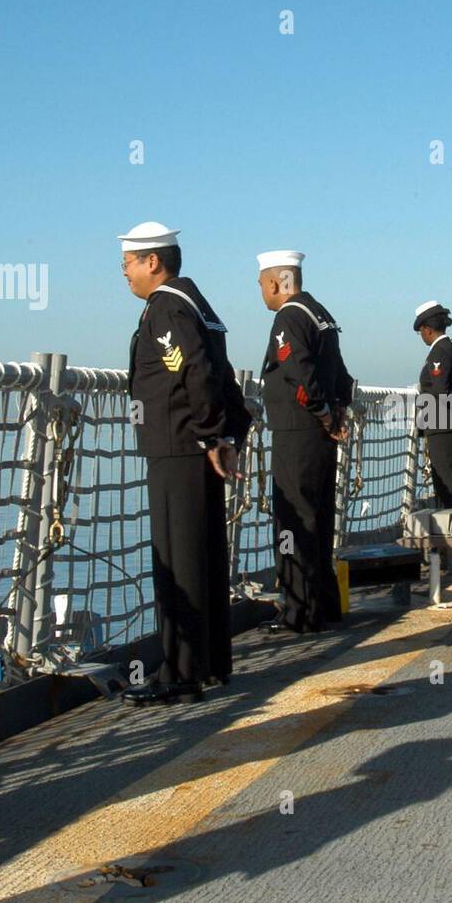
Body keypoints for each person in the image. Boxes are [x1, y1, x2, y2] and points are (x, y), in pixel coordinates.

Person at [121, 221, 252, 706]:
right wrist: (227, 433)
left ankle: (180, 671)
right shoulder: (197, 303)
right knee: (204, 557)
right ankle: (212, 662)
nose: (125, 275)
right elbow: (220, 373)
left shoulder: (166, 307)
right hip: (197, 447)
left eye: (128, 264)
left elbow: (191, 369)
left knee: (178, 562)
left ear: (152, 261)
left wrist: (209, 434)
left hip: (179, 447)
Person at [259, 250, 354, 634]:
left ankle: (299, 612)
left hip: (297, 432)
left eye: (262, 284)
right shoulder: (321, 313)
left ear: (276, 282)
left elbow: (299, 372)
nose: (262, 292)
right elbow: (341, 373)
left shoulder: (289, 317)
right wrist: (337, 411)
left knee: (292, 521)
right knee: (318, 517)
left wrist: (323, 413)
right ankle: (324, 605)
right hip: (318, 433)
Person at [413, 301, 452, 511]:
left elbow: (440, 391)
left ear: (426, 329)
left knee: (447, 483)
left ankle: (451, 538)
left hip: (442, 427)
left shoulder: (439, 353)